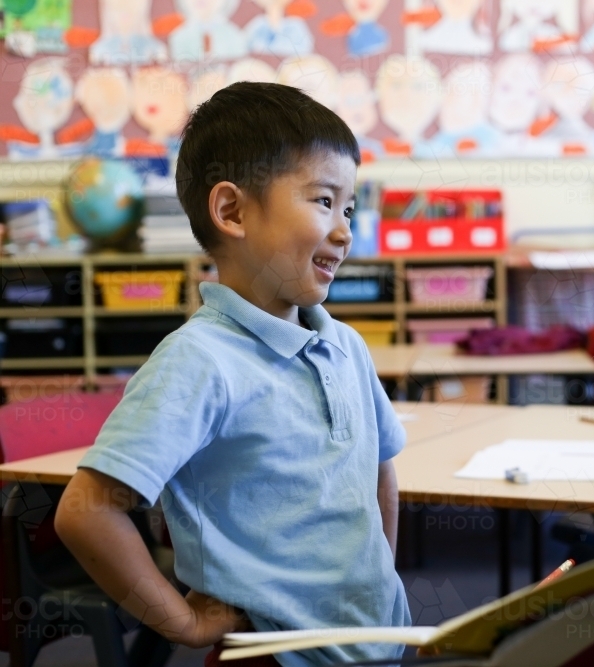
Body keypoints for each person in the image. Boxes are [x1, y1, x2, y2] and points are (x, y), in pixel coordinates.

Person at [54, 82, 410, 666]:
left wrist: (376, 587)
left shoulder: (345, 344)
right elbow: (86, 511)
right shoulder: (199, 361)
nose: (345, 230)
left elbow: (380, 469)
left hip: (376, 644)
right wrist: (184, 623)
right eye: (323, 202)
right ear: (232, 210)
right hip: (272, 657)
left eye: (349, 207)